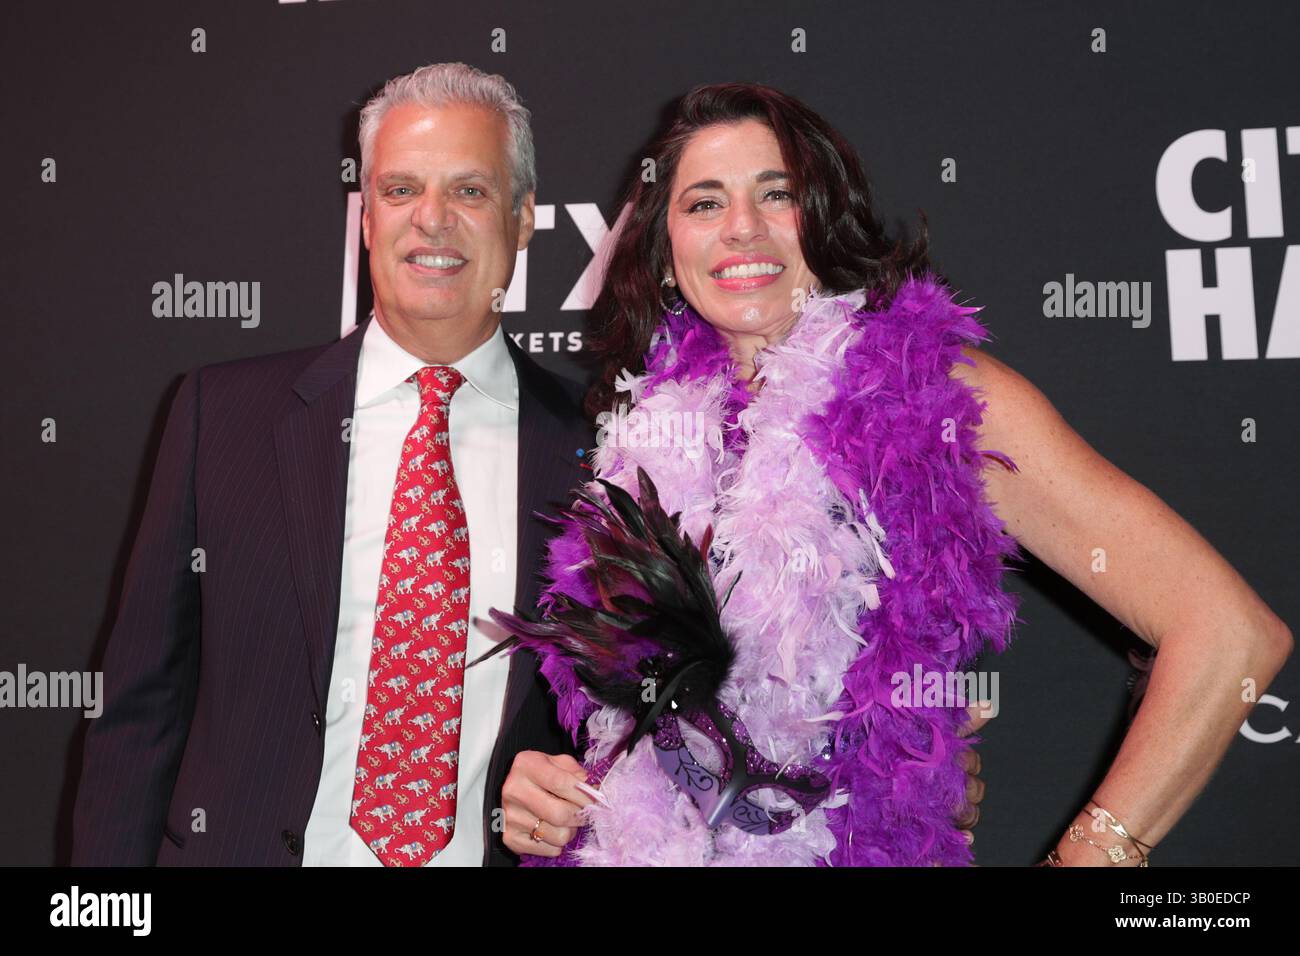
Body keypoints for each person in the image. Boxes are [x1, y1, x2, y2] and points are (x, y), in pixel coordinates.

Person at [498, 83, 1293, 866]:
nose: (741, 229)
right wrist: (553, 786)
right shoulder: (646, 436)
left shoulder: (941, 398)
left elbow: (1228, 633)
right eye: (704, 204)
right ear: (665, 248)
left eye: (779, 195)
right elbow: (653, 730)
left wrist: (1097, 852)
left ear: (829, 218)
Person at [71, 62, 590, 867]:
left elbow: (633, 727)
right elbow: (139, 715)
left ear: (524, 219)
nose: (432, 221)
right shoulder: (223, 416)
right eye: (400, 190)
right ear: (366, 219)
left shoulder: (599, 449)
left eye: (471, 192)